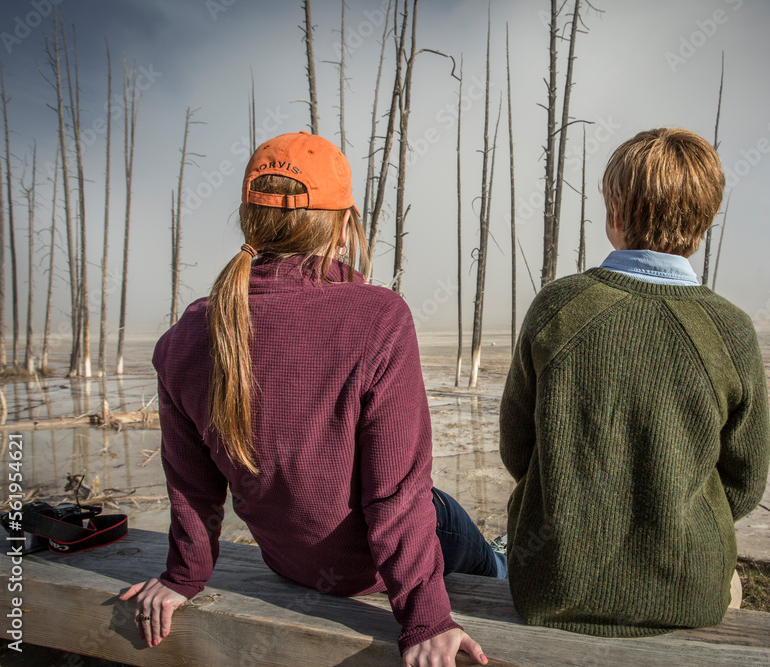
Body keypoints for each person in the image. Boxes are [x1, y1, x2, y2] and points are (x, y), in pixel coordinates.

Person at [119, 131, 503, 666]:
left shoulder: (183, 337)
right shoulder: (378, 318)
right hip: (376, 569)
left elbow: (191, 489)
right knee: (476, 547)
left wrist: (183, 577)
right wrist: (424, 619)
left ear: (250, 221)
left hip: (290, 564)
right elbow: (397, 493)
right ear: (345, 227)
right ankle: (502, 569)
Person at [499, 127, 770, 636]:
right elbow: (745, 481)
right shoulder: (730, 330)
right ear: (705, 221)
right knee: (734, 589)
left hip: (552, 584)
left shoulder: (557, 307)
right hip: (687, 592)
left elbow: (518, 448)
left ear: (615, 215)